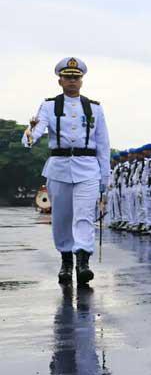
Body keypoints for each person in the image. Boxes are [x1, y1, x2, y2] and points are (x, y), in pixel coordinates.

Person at [22, 57, 110, 285]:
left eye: (76, 78)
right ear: (60, 81)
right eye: (68, 77)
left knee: (84, 215)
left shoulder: (95, 108)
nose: (72, 81)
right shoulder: (49, 106)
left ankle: (83, 262)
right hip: (59, 167)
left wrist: (104, 177)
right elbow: (36, 130)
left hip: (88, 168)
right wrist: (30, 134)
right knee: (61, 218)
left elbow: (103, 145)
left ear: (82, 81)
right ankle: (66, 261)